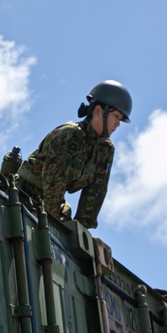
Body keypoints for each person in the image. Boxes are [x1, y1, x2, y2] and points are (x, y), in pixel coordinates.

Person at [16, 80, 132, 228]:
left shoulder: (105, 150)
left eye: (120, 119)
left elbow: (96, 192)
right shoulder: (69, 135)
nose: (118, 123)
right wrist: (52, 223)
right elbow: (54, 181)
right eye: (116, 116)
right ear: (98, 111)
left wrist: (82, 230)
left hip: (49, 205)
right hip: (25, 194)